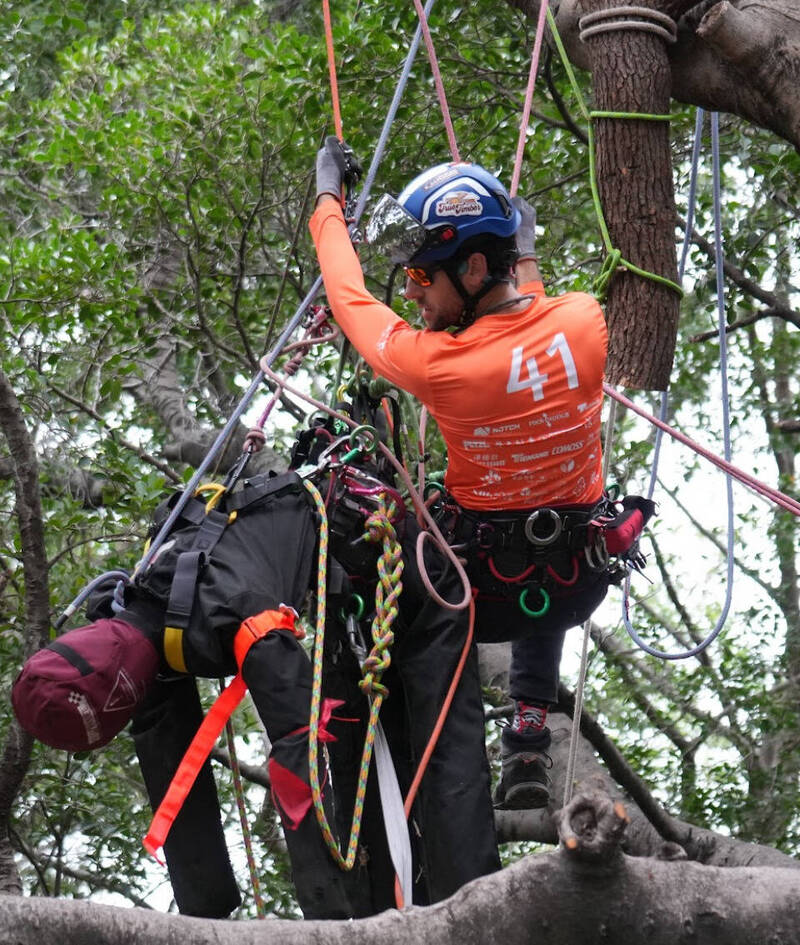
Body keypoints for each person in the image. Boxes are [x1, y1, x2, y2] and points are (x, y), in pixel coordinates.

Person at [311, 138, 611, 812]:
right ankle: (528, 727)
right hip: (578, 582)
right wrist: (523, 249)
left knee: (376, 537)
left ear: (474, 267)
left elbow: (349, 297)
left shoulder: (438, 368)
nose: (414, 292)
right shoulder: (585, 323)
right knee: (546, 516)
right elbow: (531, 322)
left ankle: (421, 765)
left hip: (475, 592)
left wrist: (328, 200)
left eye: (423, 278)